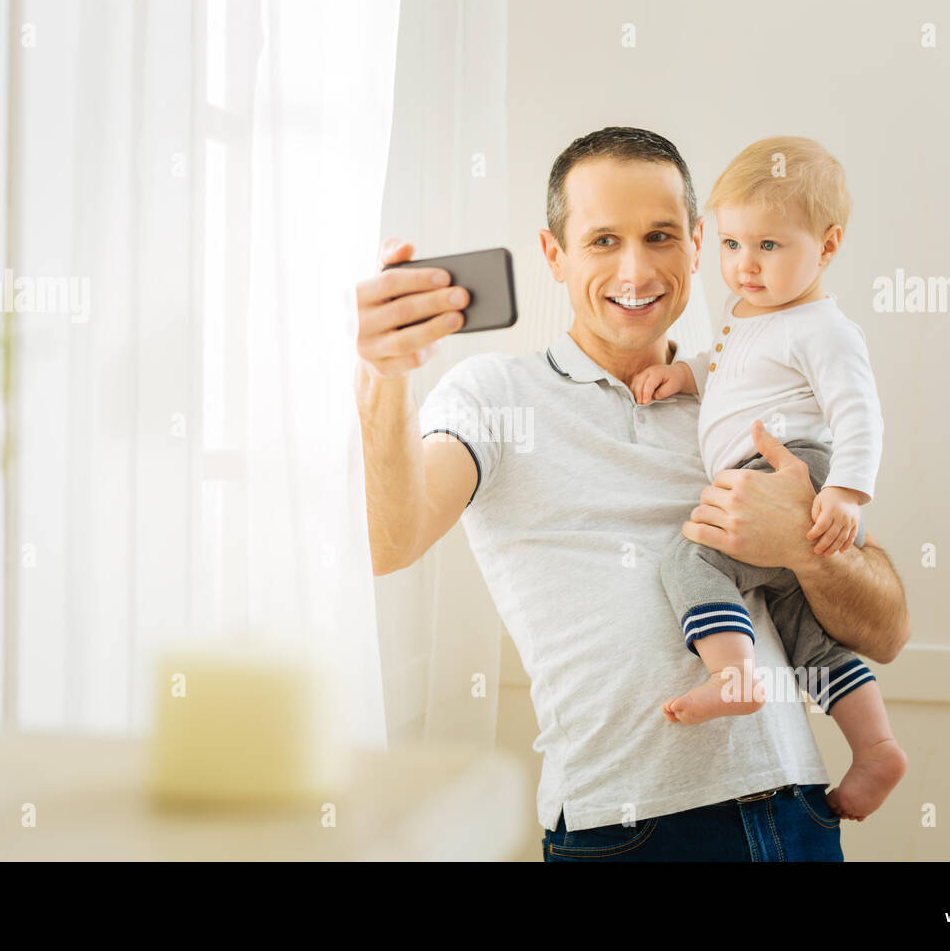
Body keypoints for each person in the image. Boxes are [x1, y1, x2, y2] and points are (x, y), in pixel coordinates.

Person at [354, 126, 910, 861]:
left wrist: (805, 550)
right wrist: (383, 378)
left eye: (659, 236)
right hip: (631, 828)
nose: (636, 268)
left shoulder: (744, 396)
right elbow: (391, 542)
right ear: (554, 254)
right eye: (603, 240)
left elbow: (887, 628)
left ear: (697, 243)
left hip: (797, 809)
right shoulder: (495, 395)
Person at [631, 136, 907, 822]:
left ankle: (732, 675)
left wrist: (845, 490)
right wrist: (688, 373)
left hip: (793, 468)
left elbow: (859, 413)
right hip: (773, 484)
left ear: (829, 245)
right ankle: (875, 747)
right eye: (730, 245)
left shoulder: (824, 328)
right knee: (807, 635)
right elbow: (729, 367)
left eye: (769, 247)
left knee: (690, 558)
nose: (744, 266)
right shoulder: (746, 315)